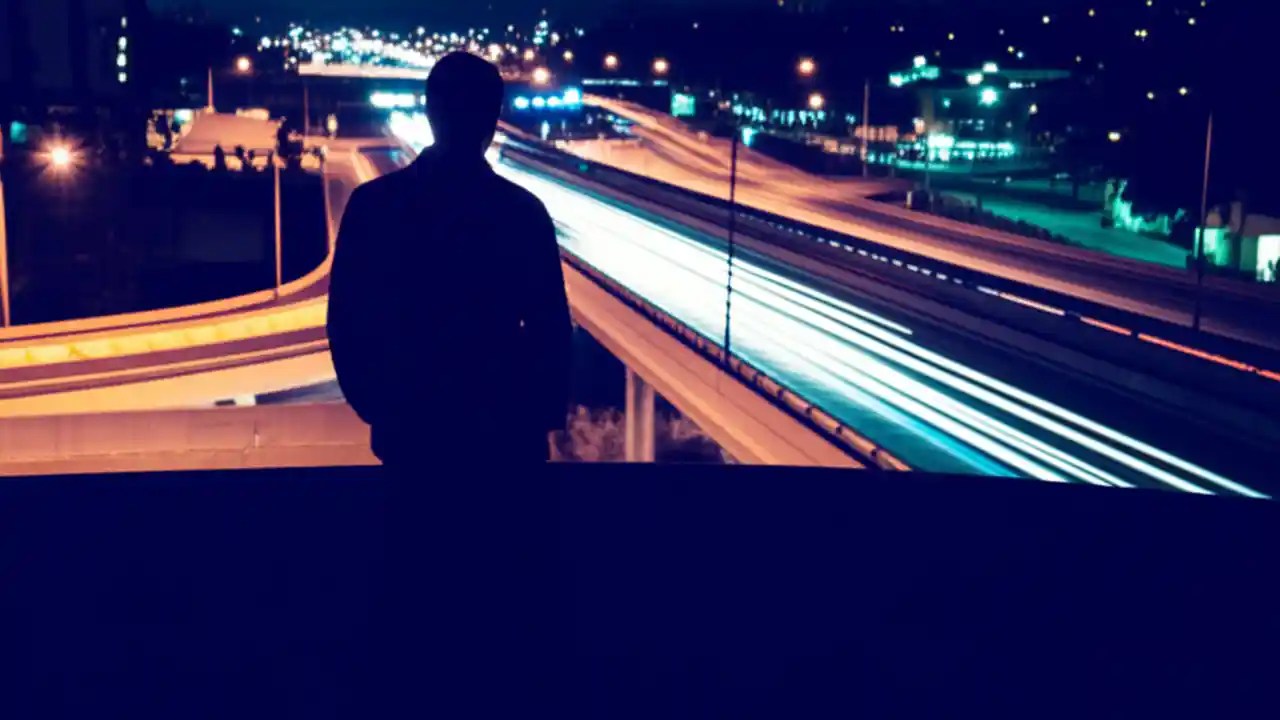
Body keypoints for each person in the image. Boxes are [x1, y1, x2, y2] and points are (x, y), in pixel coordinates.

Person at [327, 51, 571, 467]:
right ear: (493, 117)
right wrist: (534, 422)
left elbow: (347, 322)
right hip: (502, 437)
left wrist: (379, 407)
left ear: (429, 110)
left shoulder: (375, 206)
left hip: (410, 433)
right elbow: (551, 333)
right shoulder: (520, 212)